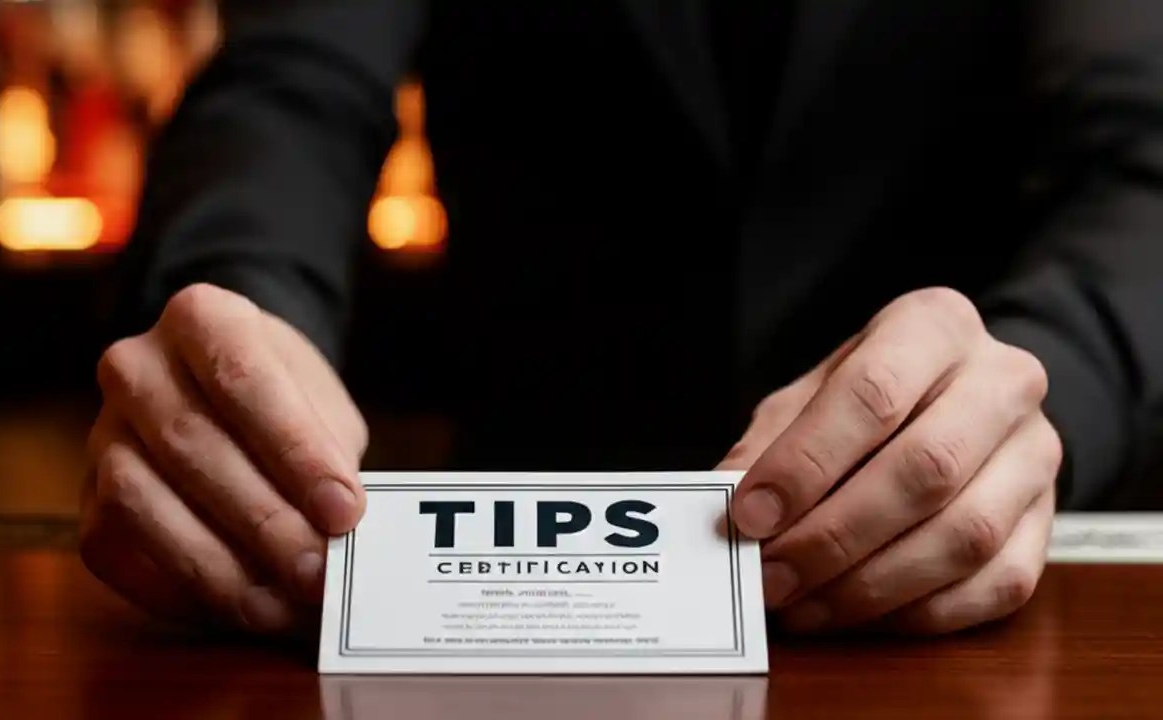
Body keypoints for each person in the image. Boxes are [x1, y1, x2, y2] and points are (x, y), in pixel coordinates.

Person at [80, 1, 1163, 638]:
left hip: (935, 606)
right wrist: (240, 322)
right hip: (515, 602)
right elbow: (286, 89)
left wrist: (1036, 386)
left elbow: (1139, 160)